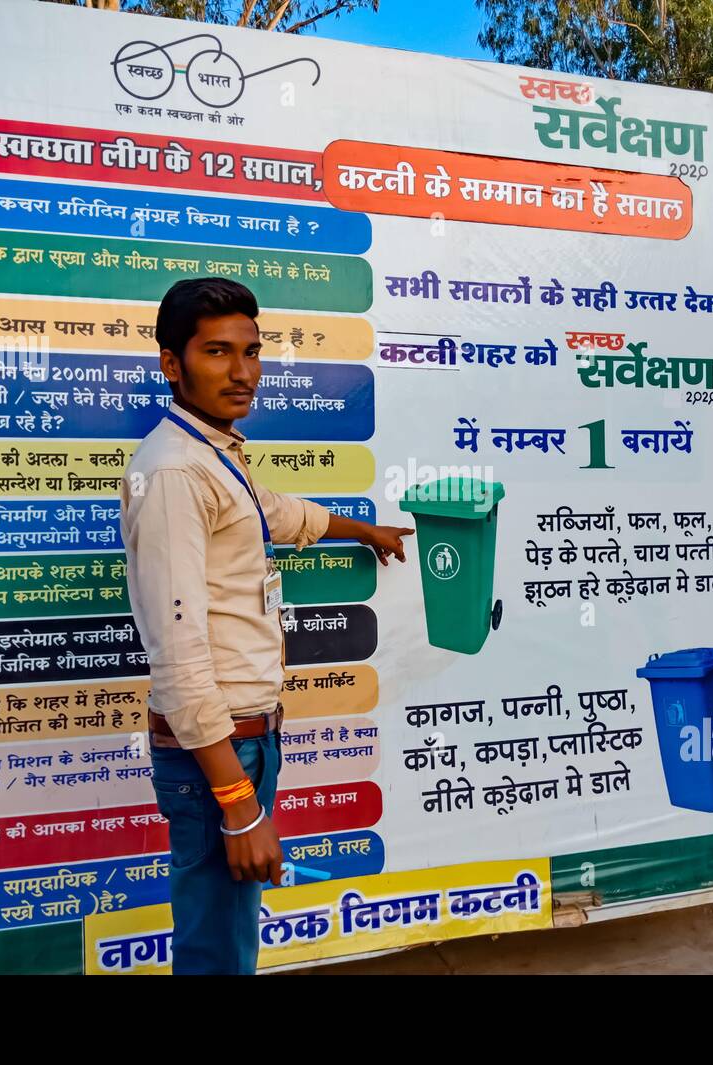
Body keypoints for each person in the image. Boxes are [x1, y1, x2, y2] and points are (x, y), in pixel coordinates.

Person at [121, 278, 412, 975]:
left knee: (228, 936)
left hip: (244, 742)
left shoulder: (215, 453)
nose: (243, 371)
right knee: (216, 947)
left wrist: (360, 529)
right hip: (214, 756)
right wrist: (238, 804)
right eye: (218, 351)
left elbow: (273, 513)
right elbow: (181, 655)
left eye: (251, 351)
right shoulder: (172, 473)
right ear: (172, 363)